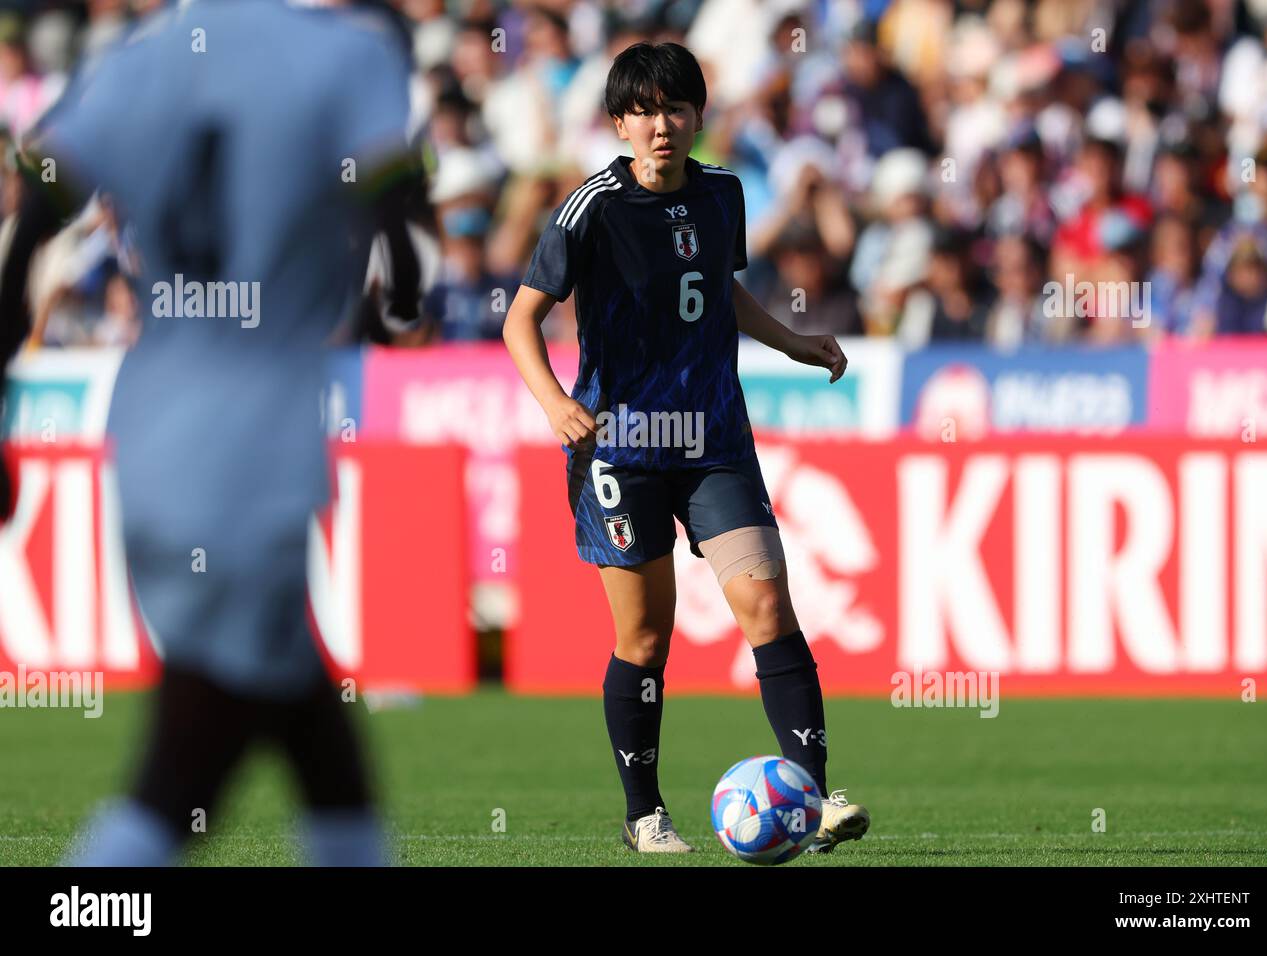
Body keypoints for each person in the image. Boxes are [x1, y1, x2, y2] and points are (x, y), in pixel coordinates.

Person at [0, 0, 425, 866]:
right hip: (257, 440)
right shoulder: (351, 55)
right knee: (188, 759)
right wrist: (405, 293)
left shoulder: (133, 60)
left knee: (311, 733)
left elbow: (32, 220)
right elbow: (398, 196)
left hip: (152, 430)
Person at [502, 41, 869, 855]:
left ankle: (808, 797)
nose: (661, 125)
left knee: (769, 608)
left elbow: (717, 286)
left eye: (676, 108)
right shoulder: (590, 206)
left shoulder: (722, 195)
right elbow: (520, 319)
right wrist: (558, 403)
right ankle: (644, 814)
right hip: (621, 448)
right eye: (644, 111)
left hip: (713, 440)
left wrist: (793, 342)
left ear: (697, 115)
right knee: (645, 641)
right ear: (619, 122)